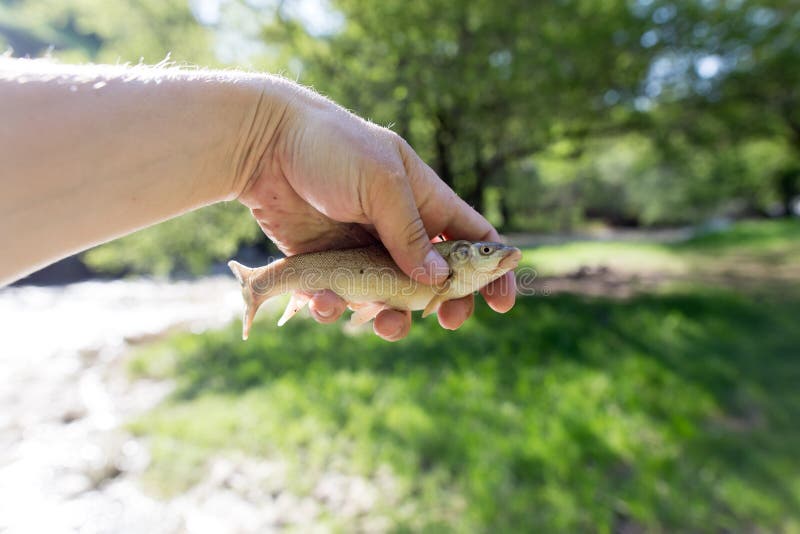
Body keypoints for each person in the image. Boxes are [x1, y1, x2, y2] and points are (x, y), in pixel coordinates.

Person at [0, 58, 516, 341]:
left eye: (491, 254)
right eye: (488, 254)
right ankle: (259, 286)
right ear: (456, 259)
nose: (499, 257)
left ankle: (262, 285)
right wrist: (268, 135)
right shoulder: (439, 270)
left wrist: (270, 137)